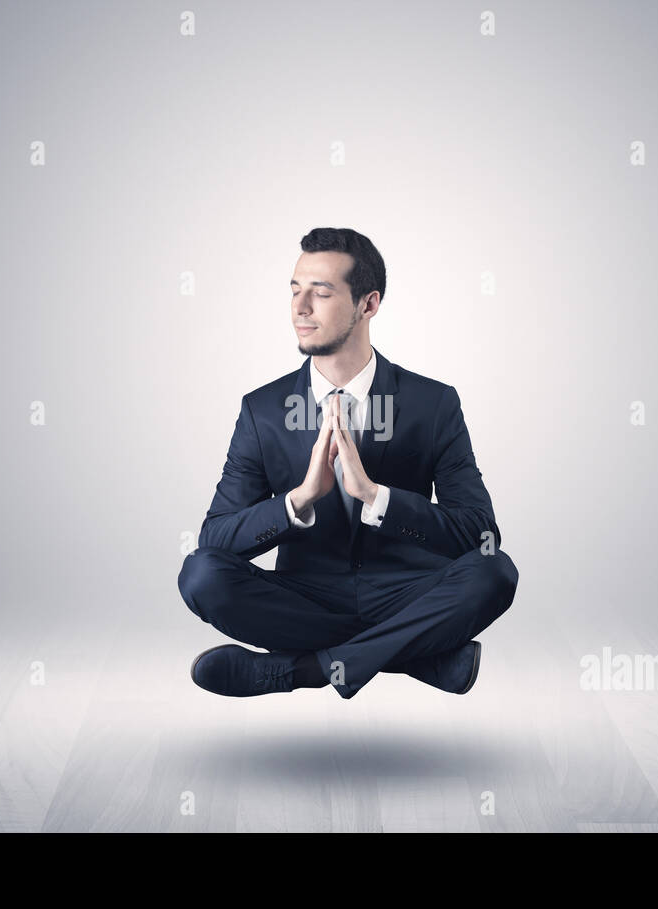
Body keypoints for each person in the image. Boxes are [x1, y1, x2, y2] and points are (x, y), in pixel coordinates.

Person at [177, 228, 518, 698]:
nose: (300, 308)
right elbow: (215, 540)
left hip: (405, 591)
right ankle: (417, 657)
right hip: (304, 597)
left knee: (495, 571)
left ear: (368, 304)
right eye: (295, 291)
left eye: (320, 293)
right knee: (201, 575)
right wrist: (298, 501)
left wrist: (379, 498)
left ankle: (301, 671)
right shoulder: (263, 410)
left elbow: (479, 532)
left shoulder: (432, 403)